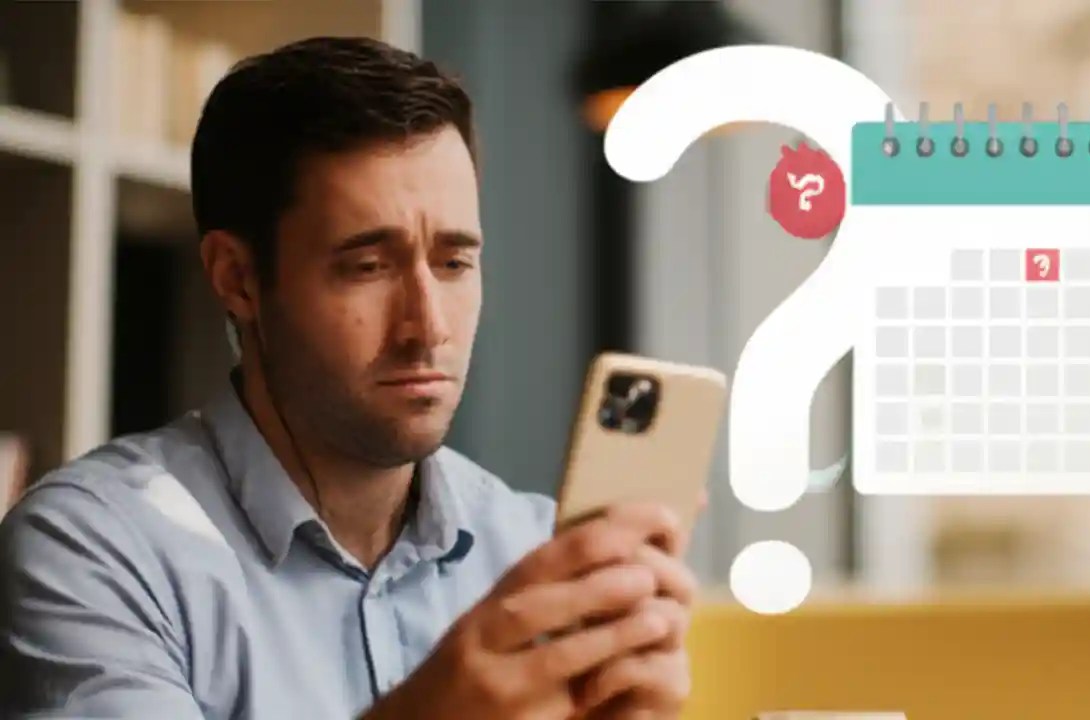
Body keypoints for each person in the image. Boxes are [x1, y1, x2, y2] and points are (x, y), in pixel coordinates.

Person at [0, 37, 699, 719]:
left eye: (453, 263)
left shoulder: (534, 553)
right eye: (368, 267)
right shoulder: (91, 550)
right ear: (238, 279)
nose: (428, 326)